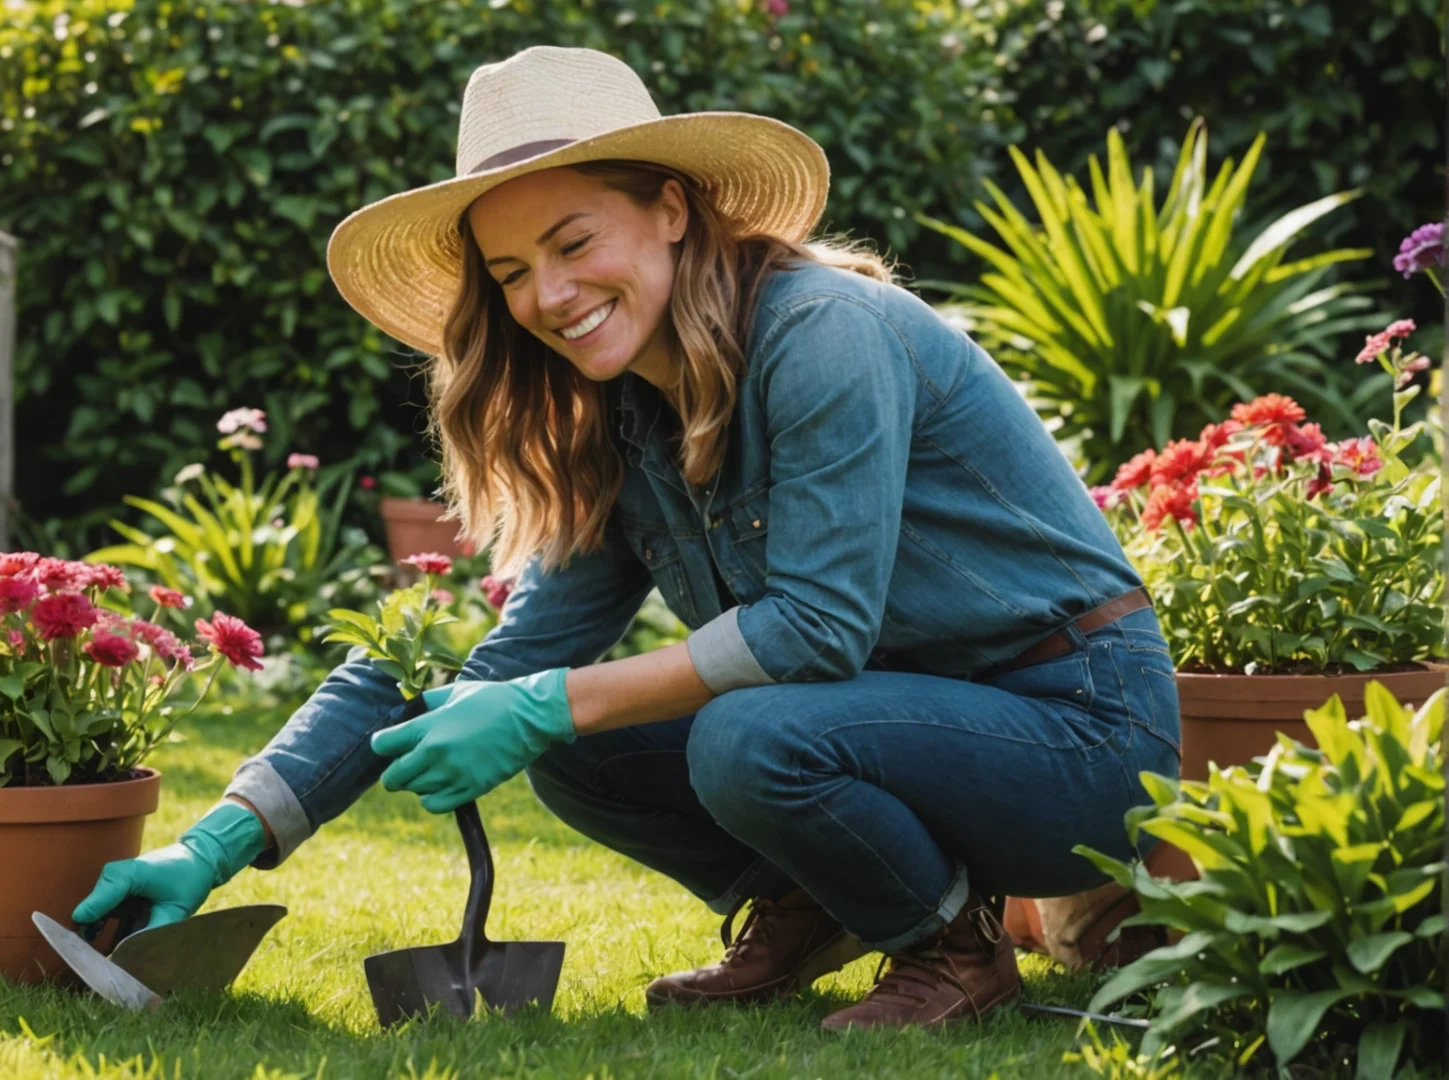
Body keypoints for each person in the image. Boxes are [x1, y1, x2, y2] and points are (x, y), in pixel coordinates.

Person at [73, 45, 1181, 1030]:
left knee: (739, 740)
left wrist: (549, 698)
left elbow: (814, 633)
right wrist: (215, 842)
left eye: (569, 243)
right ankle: (813, 904)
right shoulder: (623, 419)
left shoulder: (821, 335)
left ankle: (952, 950)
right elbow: (483, 660)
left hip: (1073, 734)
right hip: (900, 733)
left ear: (669, 206)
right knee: (571, 738)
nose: (547, 296)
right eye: (510, 274)